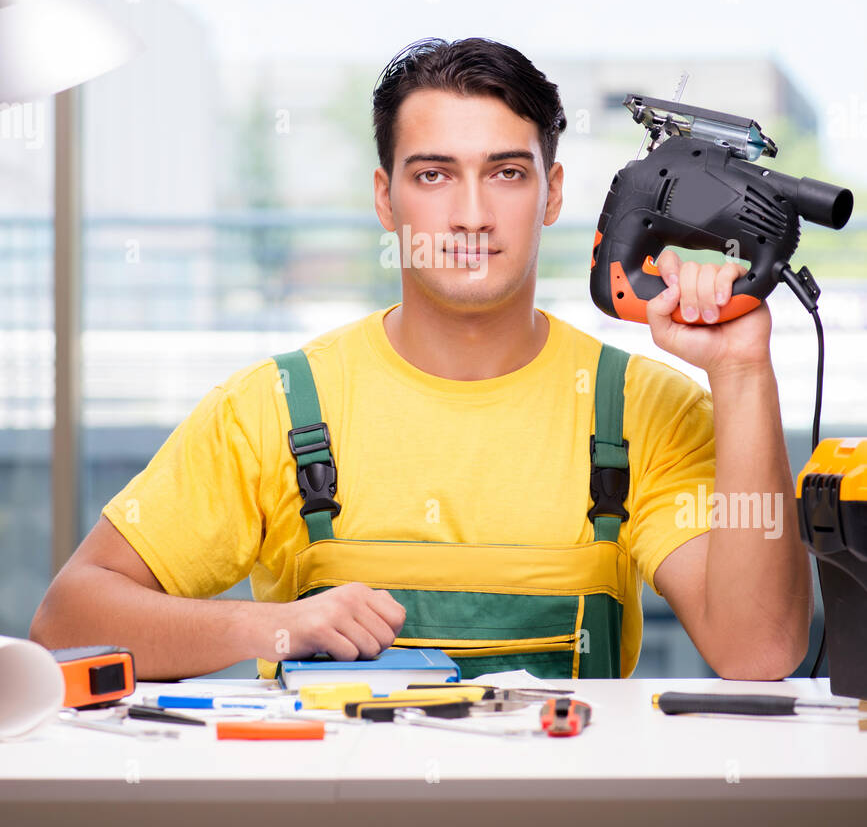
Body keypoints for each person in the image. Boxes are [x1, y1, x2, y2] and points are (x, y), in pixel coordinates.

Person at [30, 37, 812, 682]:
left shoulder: (641, 409)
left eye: (505, 173)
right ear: (384, 198)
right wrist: (266, 626)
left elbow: (758, 650)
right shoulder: (275, 406)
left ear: (551, 194)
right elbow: (69, 619)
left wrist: (741, 370)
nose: (469, 215)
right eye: (433, 174)